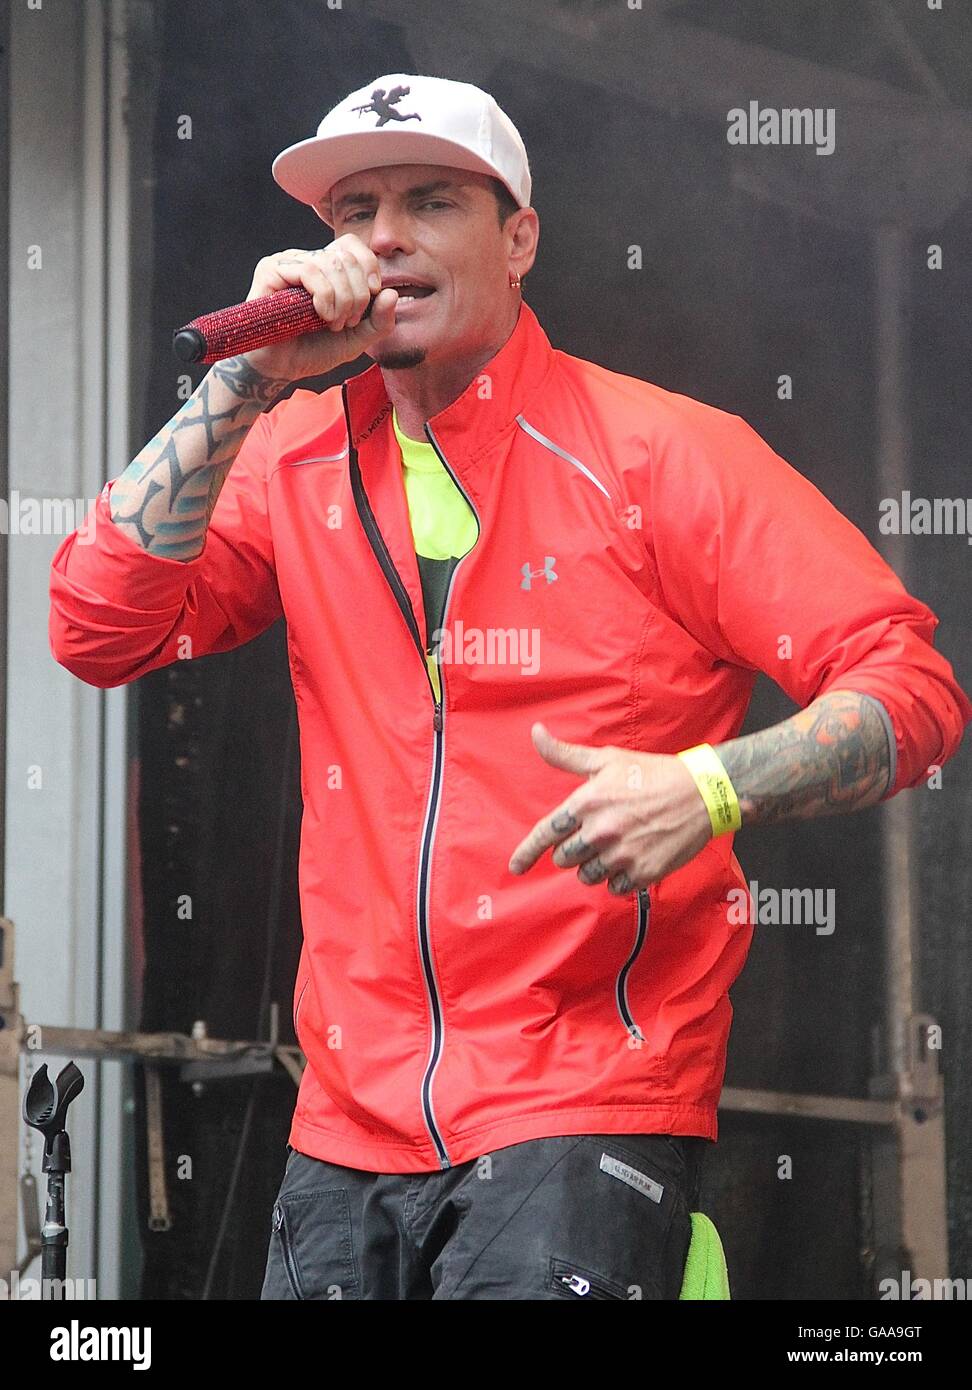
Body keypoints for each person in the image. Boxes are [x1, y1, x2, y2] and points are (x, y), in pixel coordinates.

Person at [49, 73, 970, 1301]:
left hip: (575, 1105)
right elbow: (94, 626)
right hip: (341, 1124)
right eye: (355, 210)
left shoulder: (661, 453)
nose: (384, 236)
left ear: (520, 236)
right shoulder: (291, 452)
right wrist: (246, 379)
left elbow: (909, 683)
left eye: (431, 201)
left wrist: (711, 784)